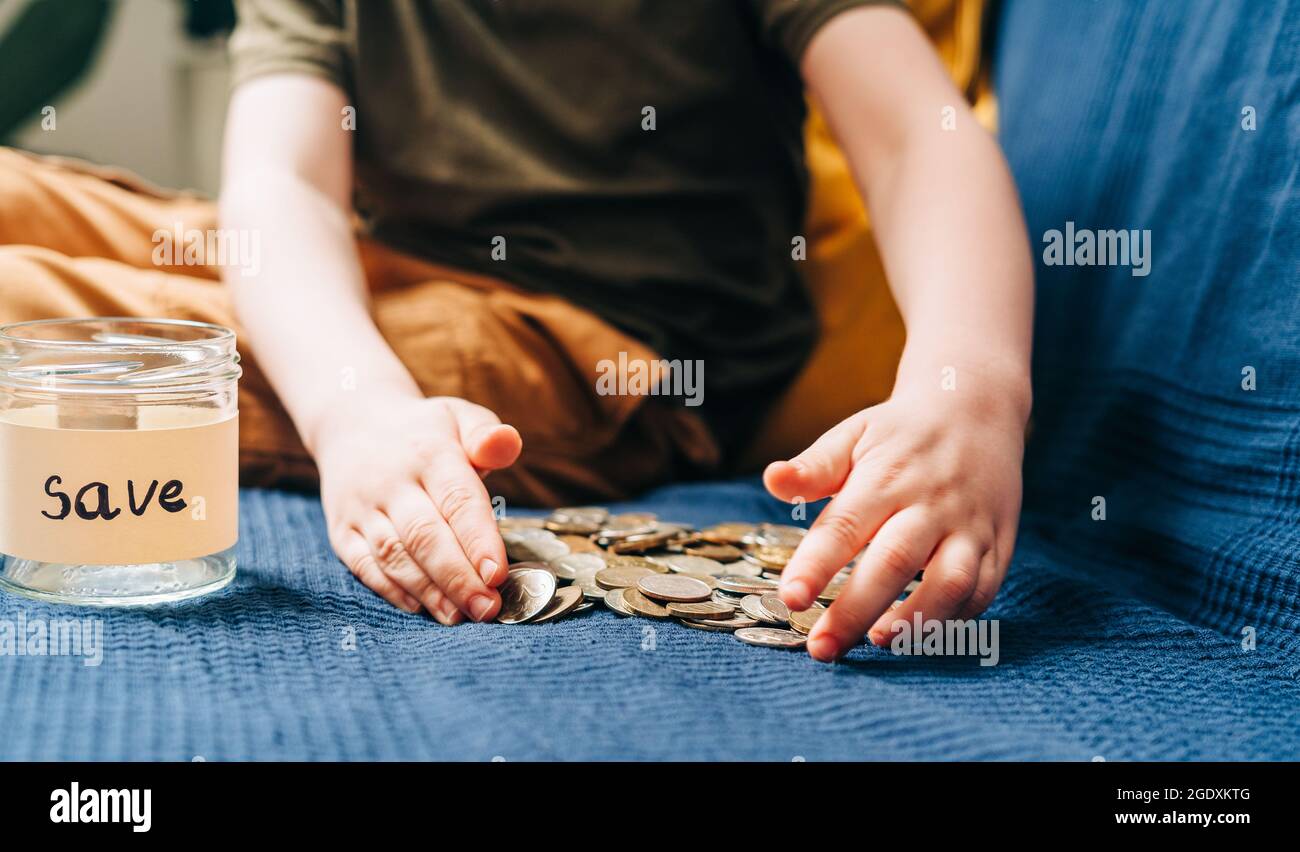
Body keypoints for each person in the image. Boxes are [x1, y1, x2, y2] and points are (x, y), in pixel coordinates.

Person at [0, 0, 1032, 662]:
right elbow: (282, 192)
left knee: (32, 315)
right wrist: (354, 407)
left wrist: (971, 389)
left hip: (596, 349)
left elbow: (917, 137)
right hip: (365, 273)